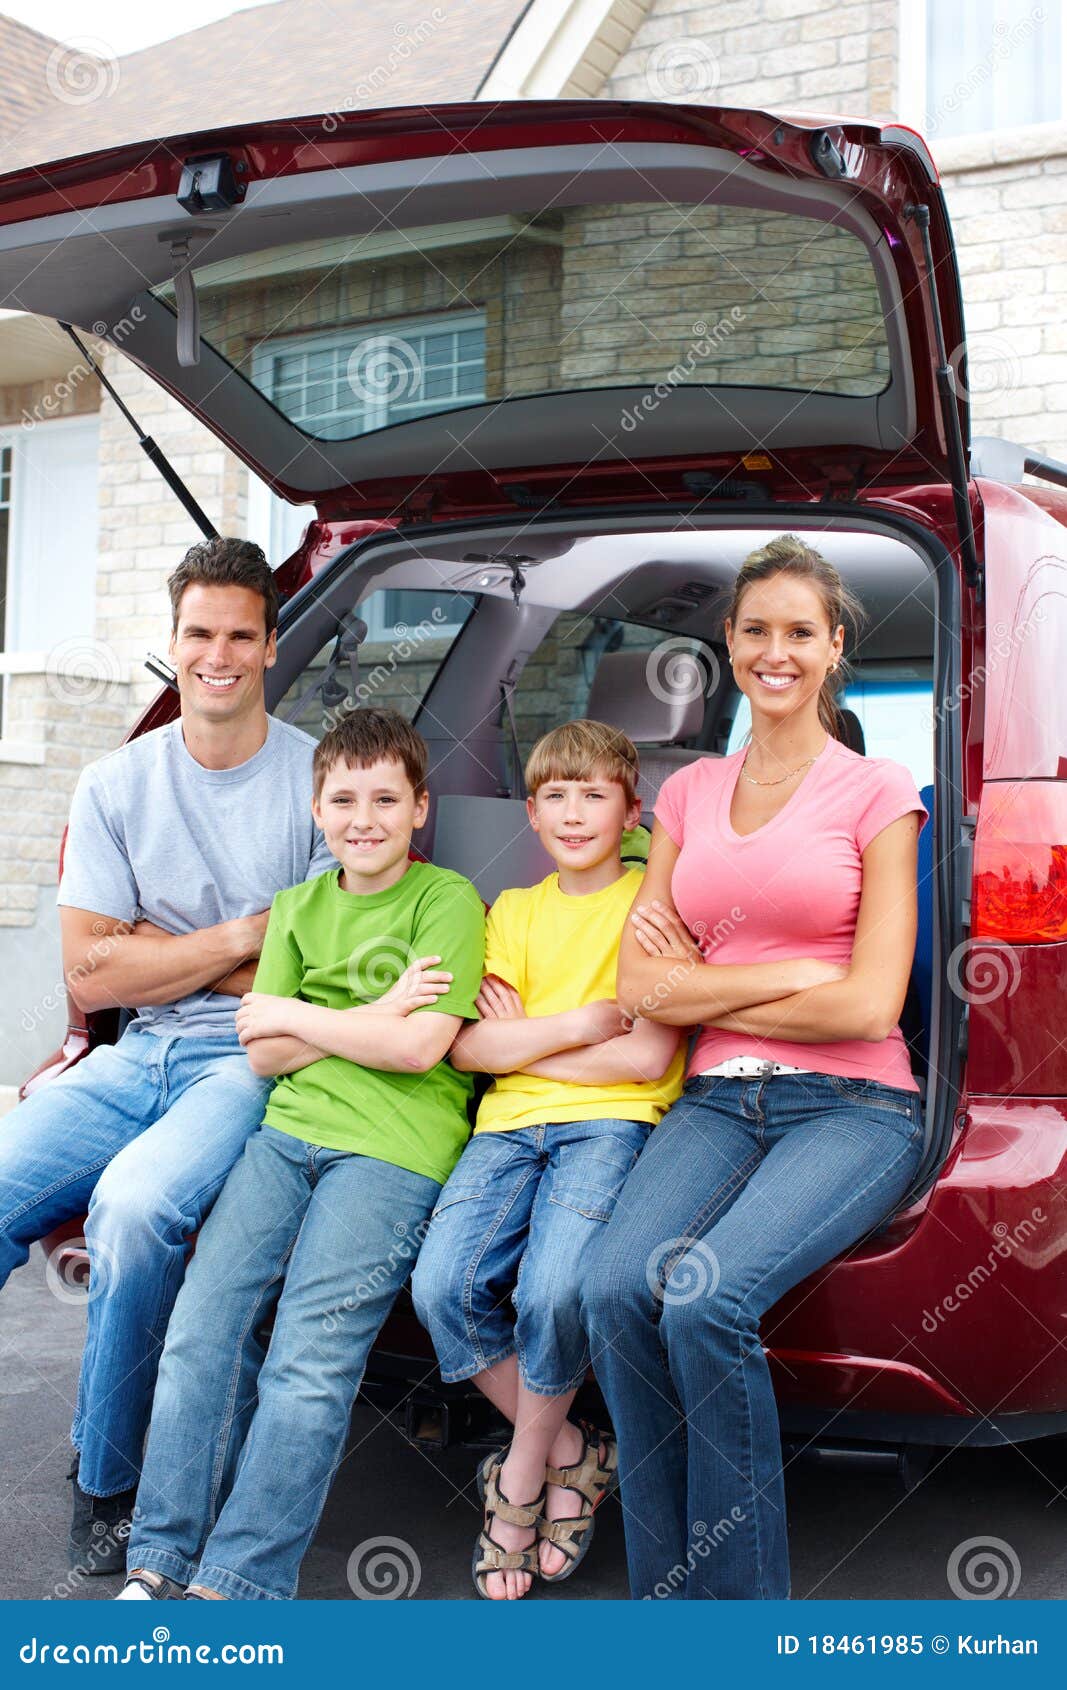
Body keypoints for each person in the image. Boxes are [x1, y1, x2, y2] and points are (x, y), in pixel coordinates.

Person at [581, 535, 929, 1600]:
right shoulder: (687, 793)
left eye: (799, 632)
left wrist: (710, 978)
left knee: (705, 1303)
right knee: (609, 1290)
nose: (776, 651)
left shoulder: (878, 791)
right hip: (718, 1099)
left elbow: (867, 1005)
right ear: (728, 644)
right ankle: (664, 1602)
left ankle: (739, 1626)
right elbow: (641, 988)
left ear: (833, 648)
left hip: (854, 1103)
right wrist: (779, 975)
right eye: (756, 631)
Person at [0, 536, 333, 1572]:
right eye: (199, 633)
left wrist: (155, 948)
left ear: (271, 645)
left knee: (137, 1209)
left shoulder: (320, 781)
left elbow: (319, 982)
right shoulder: (115, 781)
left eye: (239, 635)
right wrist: (241, 936)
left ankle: (107, 1482)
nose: (217, 655)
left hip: (249, 1060)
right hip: (133, 1054)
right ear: (174, 638)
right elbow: (90, 976)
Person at [116, 708, 485, 1601]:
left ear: (420, 808)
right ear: (317, 811)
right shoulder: (297, 908)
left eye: (386, 800)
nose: (364, 819)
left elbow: (418, 1050)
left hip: (393, 1149)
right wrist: (375, 1011)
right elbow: (262, 1053)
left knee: (307, 1360)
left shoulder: (446, 901)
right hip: (286, 1139)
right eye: (343, 800)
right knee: (200, 1332)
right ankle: (160, 1559)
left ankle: (238, 1582)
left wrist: (303, 1016)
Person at [412, 720, 685, 1600]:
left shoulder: (652, 907)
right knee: (439, 1288)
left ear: (630, 812)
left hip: (610, 1124)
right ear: (530, 813)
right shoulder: (513, 911)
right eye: (555, 797)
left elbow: (644, 1058)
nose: (573, 814)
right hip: (505, 1129)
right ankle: (575, 1447)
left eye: (593, 795)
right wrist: (575, 1026)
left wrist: (524, 1041)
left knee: (552, 1293)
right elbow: (468, 1050)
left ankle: (521, 1480)